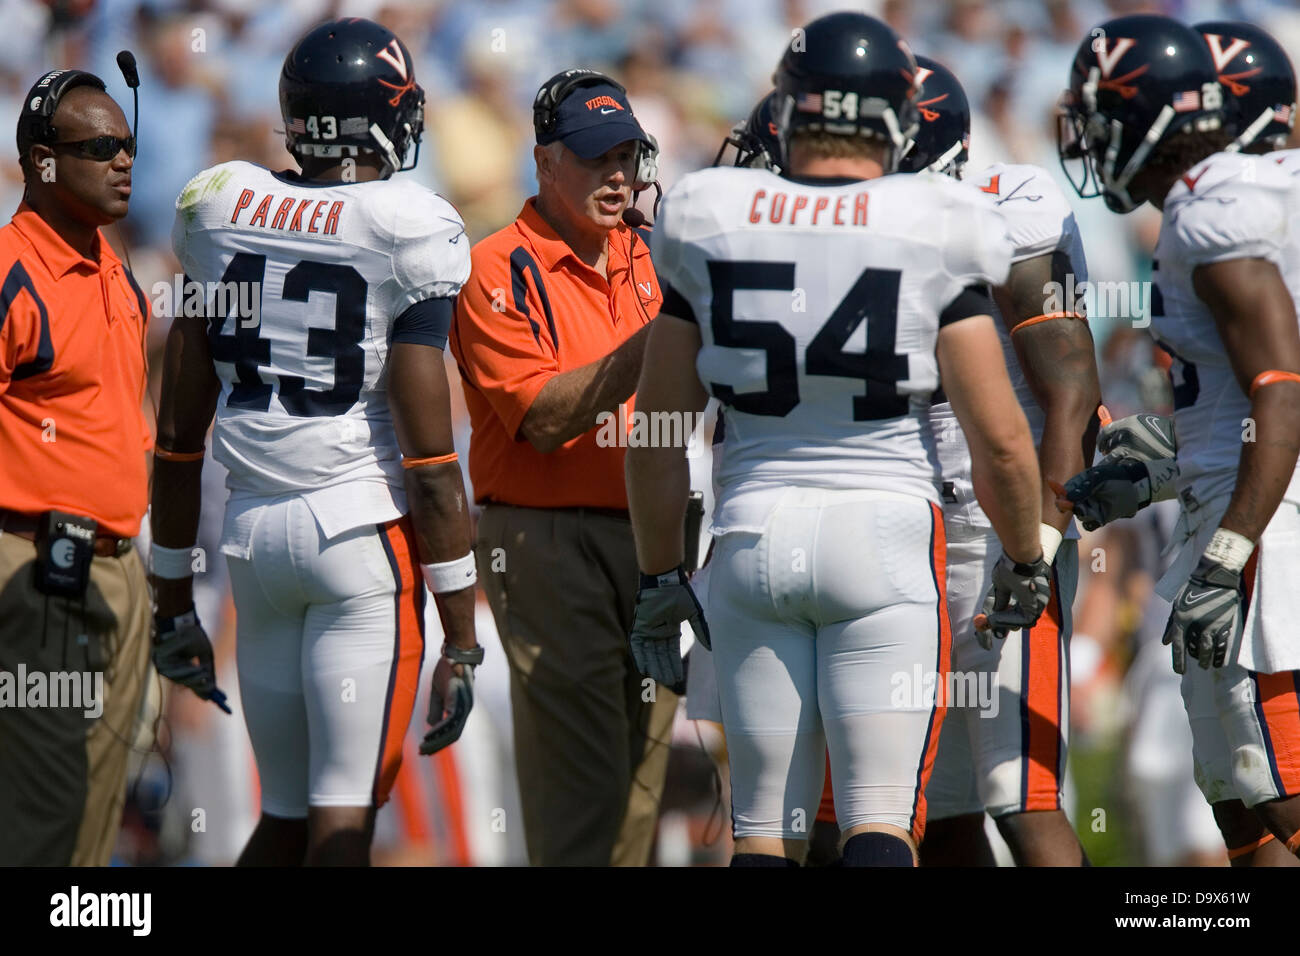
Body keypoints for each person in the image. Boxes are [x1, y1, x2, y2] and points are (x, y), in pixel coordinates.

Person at [626, 11, 1051, 867]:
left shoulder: (711, 210)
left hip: (749, 538)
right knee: (880, 822)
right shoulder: (935, 216)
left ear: (785, 111)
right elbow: (999, 439)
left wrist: (660, 573)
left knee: (764, 835)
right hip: (885, 536)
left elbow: (656, 432)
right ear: (897, 114)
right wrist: (1025, 556)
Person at [154, 18, 480, 867]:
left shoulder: (218, 206)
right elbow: (433, 464)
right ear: (378, 118)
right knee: (343, 821)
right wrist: (463, 637)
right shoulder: (409, 225)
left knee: (285, 818)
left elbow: (177, 440)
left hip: (255, 547)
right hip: (357, 543)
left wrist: (169, 600)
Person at [1059, 14, 1300, 866]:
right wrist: (1161, 462)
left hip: (1265, 526)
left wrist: (1231, 553)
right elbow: (1244, 397)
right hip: (1233, 502)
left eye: (1098, 114)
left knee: (1281, 790)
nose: (1088, 137)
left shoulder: (1213, 210)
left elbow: (1282, 387)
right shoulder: (1213, 209)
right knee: (1238, 798)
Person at [449, 68, 672, 866]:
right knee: (585, 800)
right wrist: (668, 331)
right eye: (595, 157)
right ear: (544, 163)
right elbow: (542, 419)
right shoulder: (493, 267)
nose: (617, 175)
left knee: (639, 804)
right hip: (549, 543)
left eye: (627, 156)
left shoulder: (647, 254)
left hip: (656, 544)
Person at [900, 56, 1099, 867]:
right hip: (908, 524)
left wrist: (1039, 544)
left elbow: (1072, 392)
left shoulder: (1007, 206)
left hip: (1001, 522)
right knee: (941, 814)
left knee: (1025, 800)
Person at [0, 67, 152, 865]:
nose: (123, 161)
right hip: (35, 566)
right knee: (44, 815)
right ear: (41, 162)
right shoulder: (9, 269)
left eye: (128, 145)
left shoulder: (113, 264)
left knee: (95, 813)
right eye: (99, 146)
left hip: (117, 567)